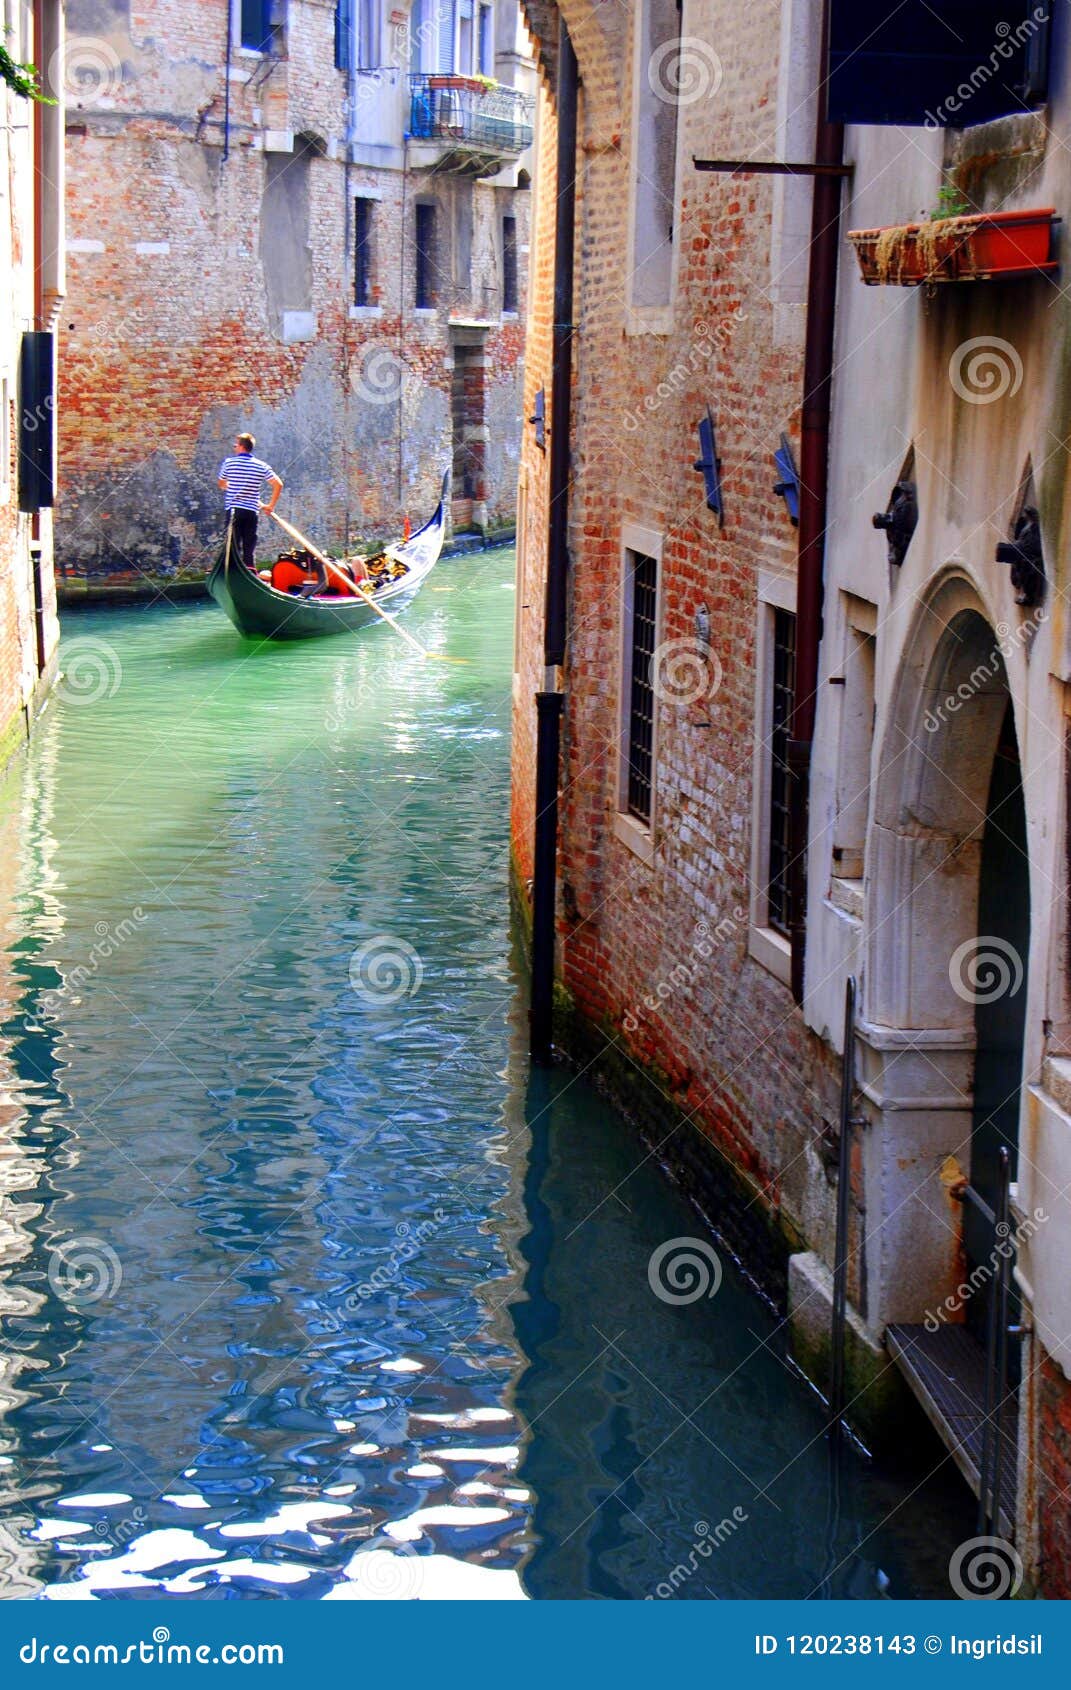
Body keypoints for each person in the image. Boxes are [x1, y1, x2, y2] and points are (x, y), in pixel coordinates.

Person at [217, 433, 283, 572]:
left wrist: (233, 486)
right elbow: (278, 484)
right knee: (249, 547)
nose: (234, 447)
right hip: (251, 512)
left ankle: (232, 574)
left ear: (241, 446)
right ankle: (251, 574)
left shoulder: (229, 463)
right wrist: (270, 506)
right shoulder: (261, 465)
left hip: (234, 510)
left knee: (233, 547)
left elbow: (222, 484)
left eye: (236, 444)